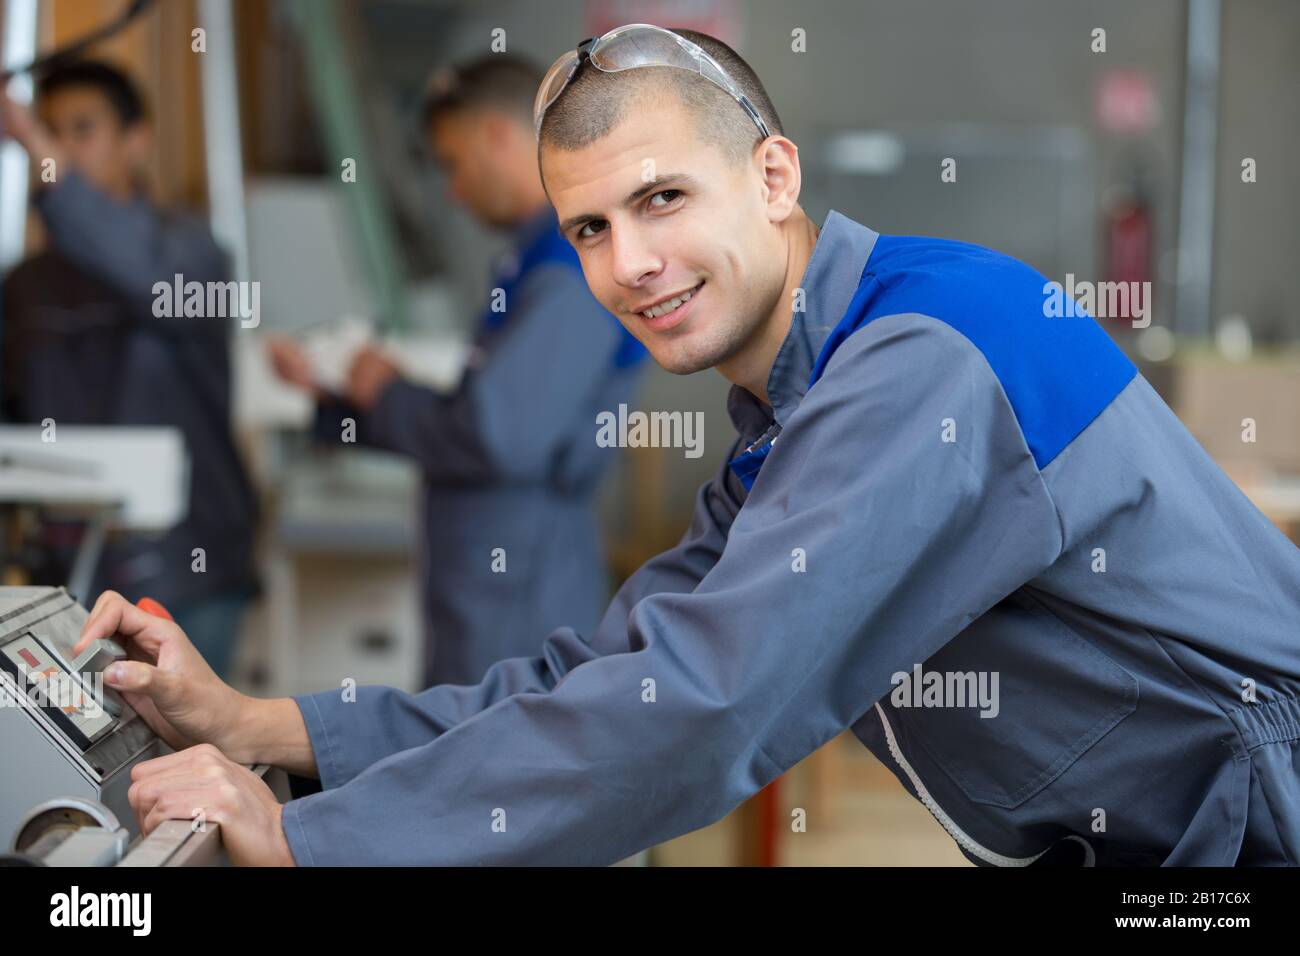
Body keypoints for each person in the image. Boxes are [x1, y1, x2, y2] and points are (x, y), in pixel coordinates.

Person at [78, 25, 1300, 866]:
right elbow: (602, 676)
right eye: (590, 228)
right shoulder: (794, 420)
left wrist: (304, 840)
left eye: (663, 199)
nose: (629, 265)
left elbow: (706, 709)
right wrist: (262, 726)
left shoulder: (924, 355)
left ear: (773, 173)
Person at [267, 54, 646, 687]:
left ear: (498, 137)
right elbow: (475, 420)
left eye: (452, 162)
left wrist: (388, 389)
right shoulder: (533, 261)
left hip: (519, 587)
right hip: (494, 580)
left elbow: (498, 436)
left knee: (503, 767)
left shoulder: (571, 266)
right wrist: (339, 400)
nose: (451, 187)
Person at [2, 60, 258, 679]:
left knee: (186, 762)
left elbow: (145, 277)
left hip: (186, 573)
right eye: (49, 132)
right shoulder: (24, 287)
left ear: (136, 139)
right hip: (63, 580)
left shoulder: (197, 258)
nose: (59, 149)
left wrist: (37, 150)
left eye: (80, 129)